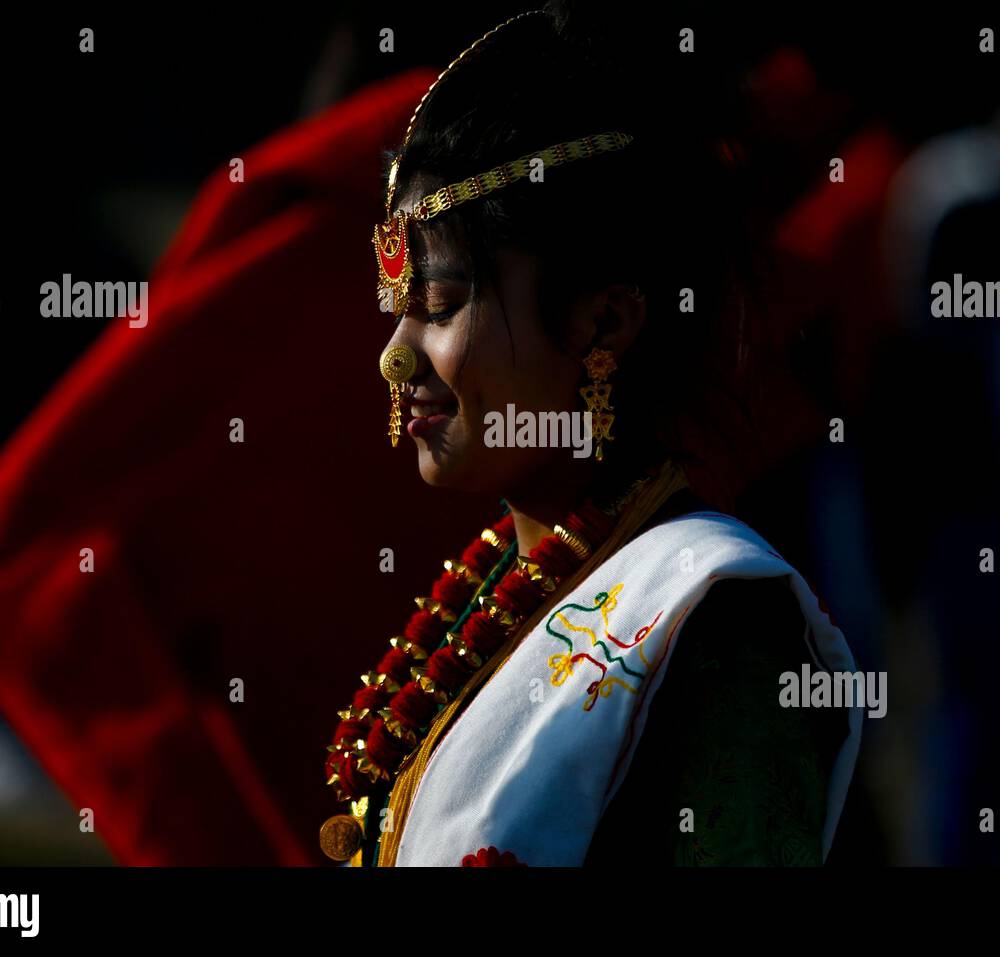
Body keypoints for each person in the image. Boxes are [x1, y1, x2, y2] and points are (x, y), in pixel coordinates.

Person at [320, 3, 861, 867]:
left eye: (441, 305)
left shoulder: (711, 620)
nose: (395, 355)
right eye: (399, 308)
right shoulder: (503, 582)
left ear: (604, 322)